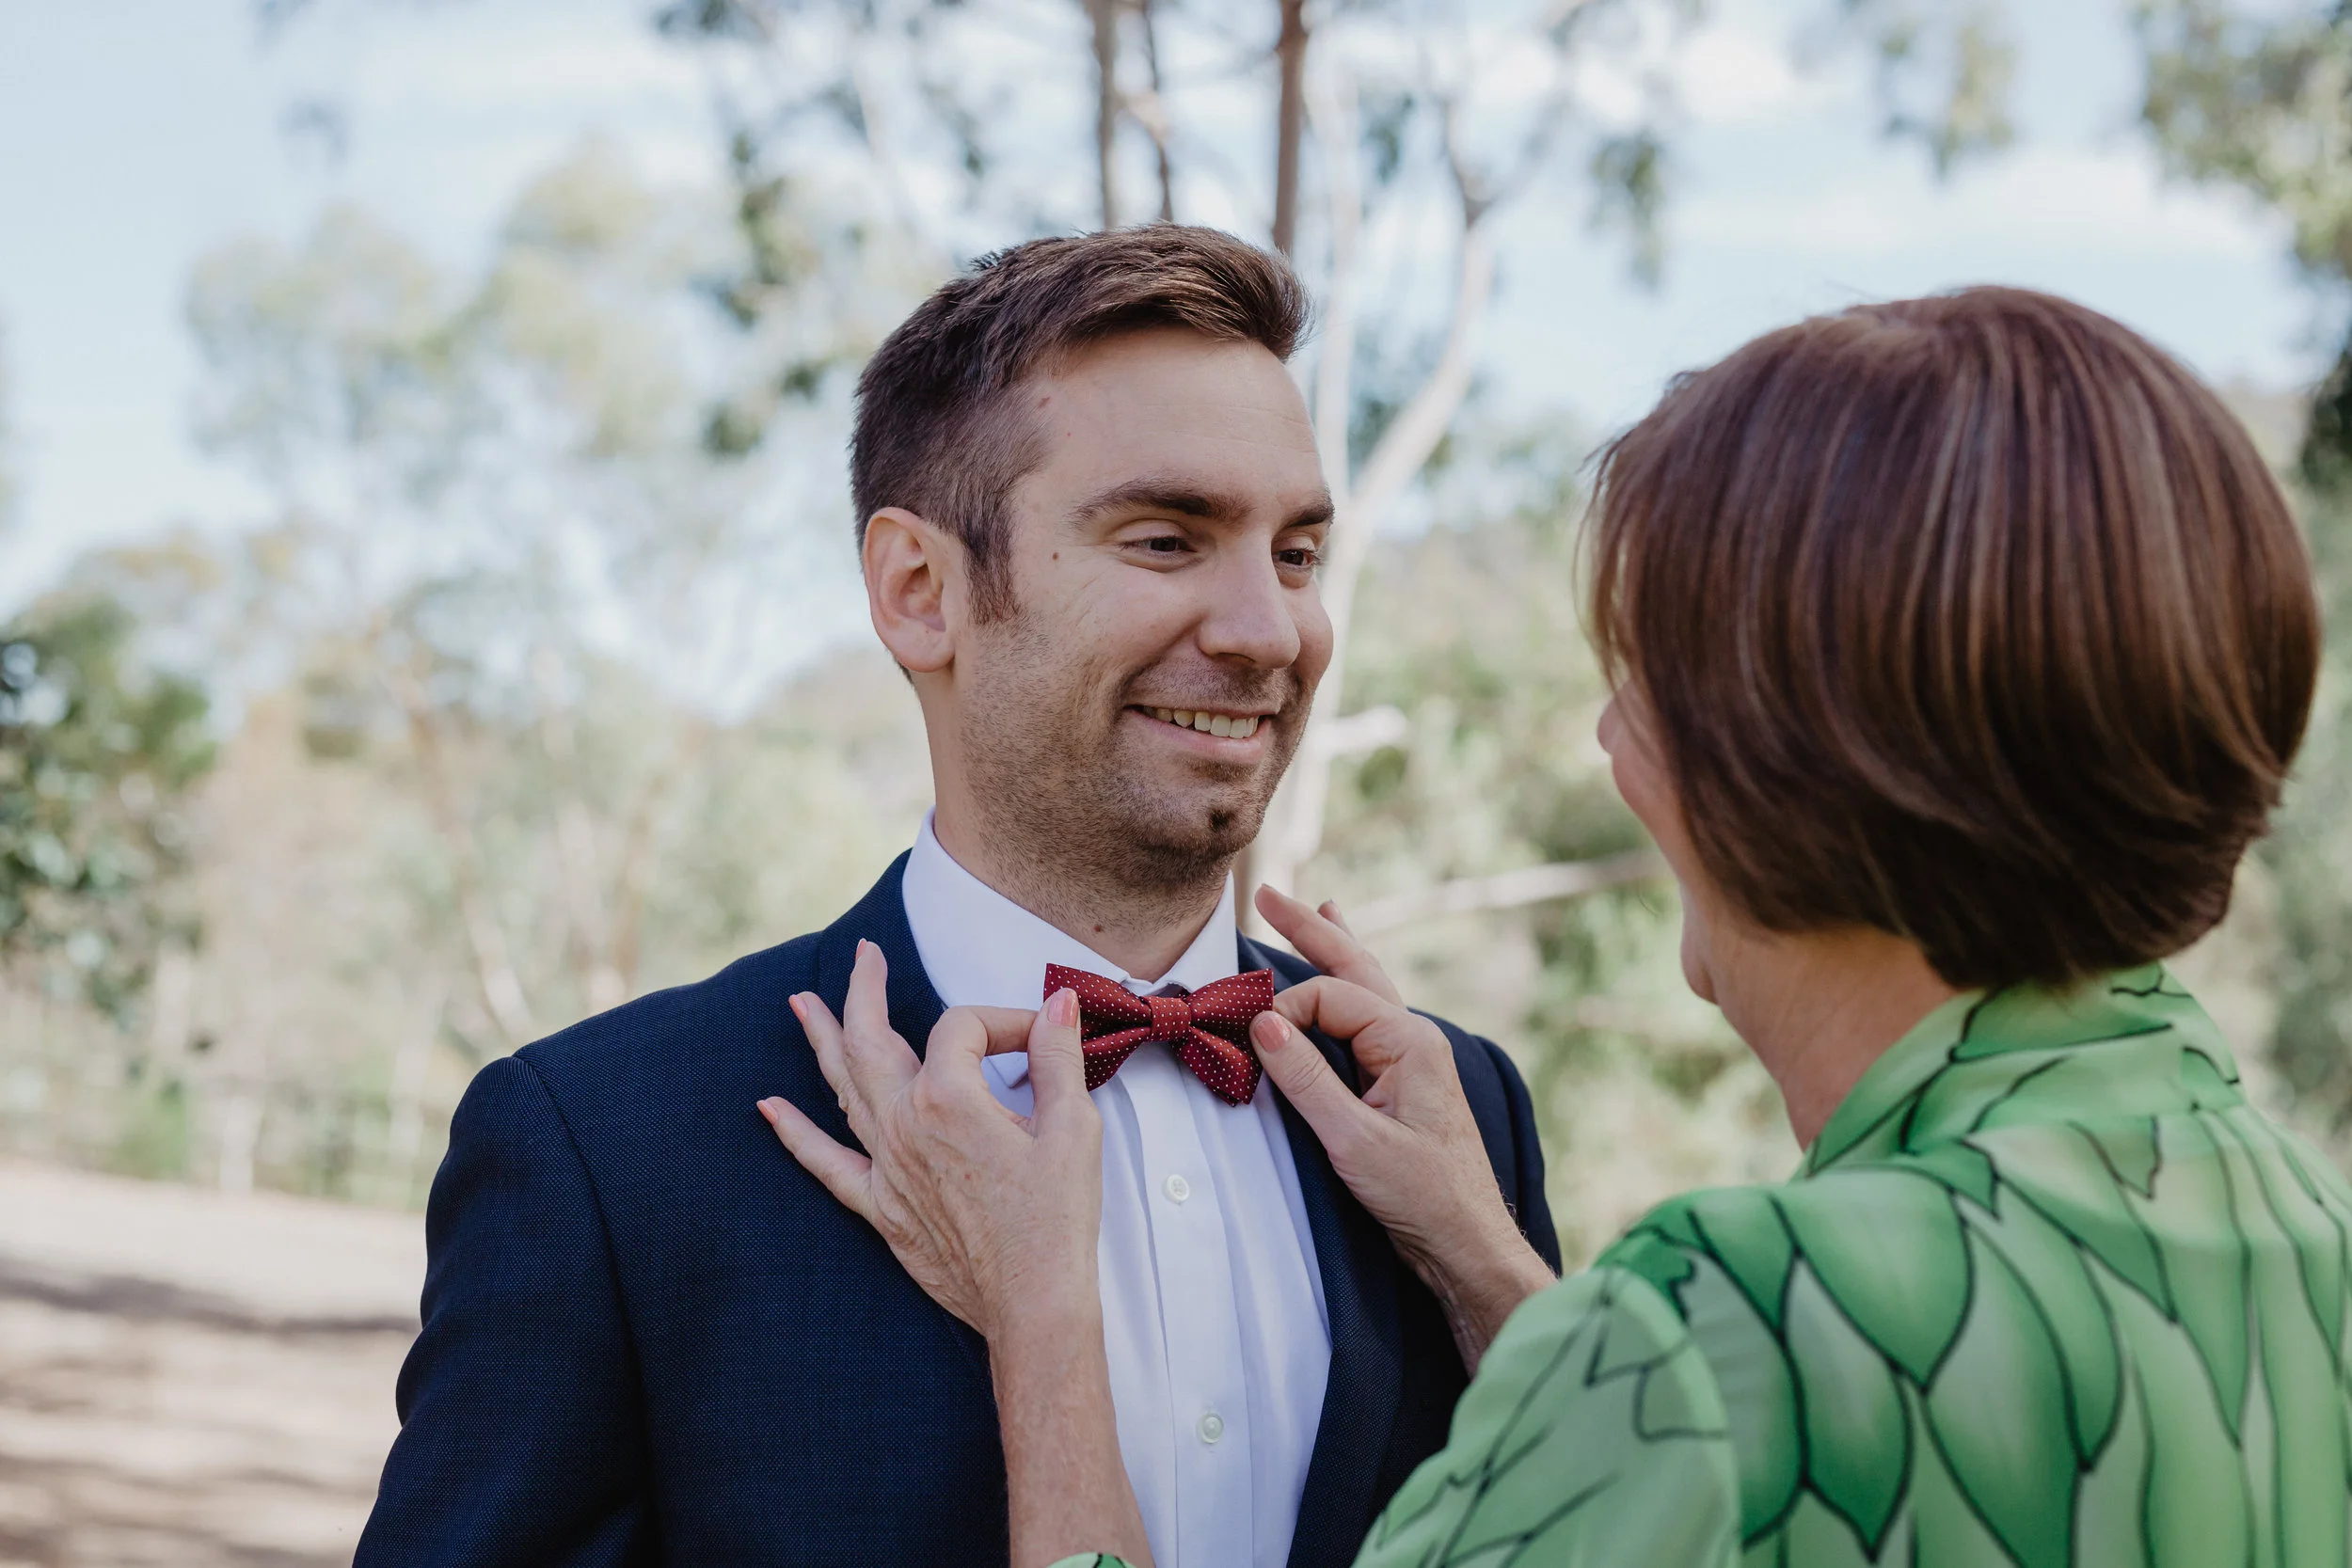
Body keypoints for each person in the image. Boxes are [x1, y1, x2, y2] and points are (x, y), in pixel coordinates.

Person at [767, 286, 2350, 1567]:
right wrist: (1485, 1260)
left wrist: (1046, 1323)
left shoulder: (1714, 1324)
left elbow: (1713, 1407)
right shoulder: (2300, 1233)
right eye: (1168, 539)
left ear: (1792, 759)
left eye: (1643, 676)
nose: (1612, 744)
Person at [355, 226, 1559, 1568]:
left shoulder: (1458, 1124)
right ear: (920, 592)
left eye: (1295, 554)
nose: (1270, 632)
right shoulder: (609, 1151)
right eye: (1167, 540)